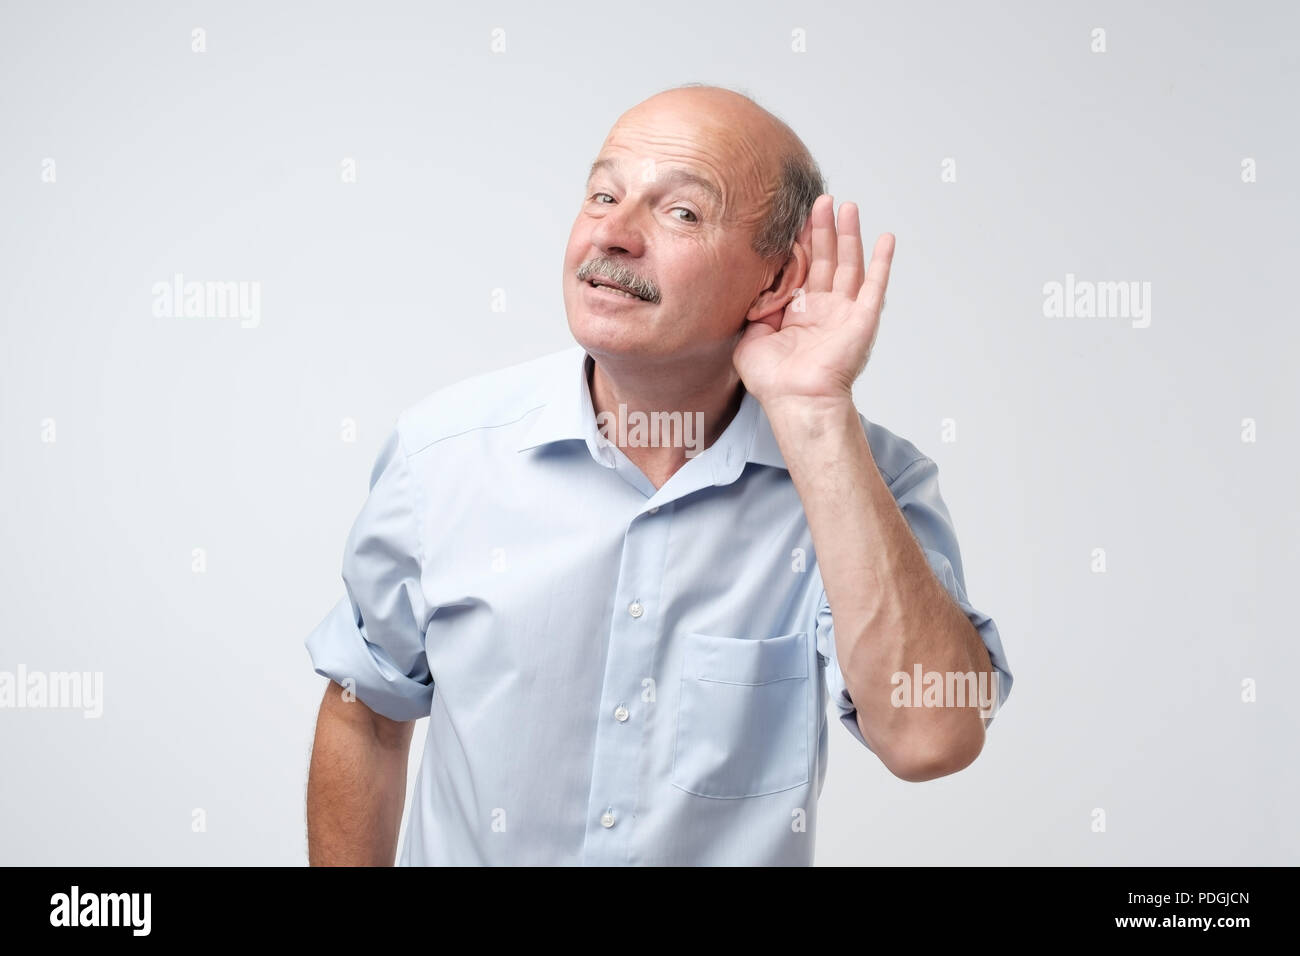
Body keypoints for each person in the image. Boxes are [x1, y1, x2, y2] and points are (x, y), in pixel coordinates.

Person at [304, 83, 1014, 866]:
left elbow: (931, 738)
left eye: (680, 212)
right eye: (602, 194)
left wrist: (814, 414)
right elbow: (365, 712)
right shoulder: (442, 456)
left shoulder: (865, 478)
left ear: (776, 281)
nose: (612, 233)